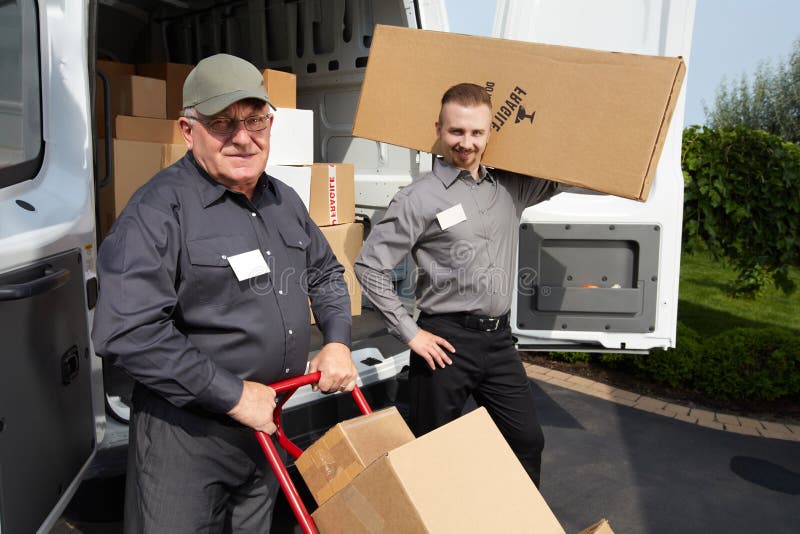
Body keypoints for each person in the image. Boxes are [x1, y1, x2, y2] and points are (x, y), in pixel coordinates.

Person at [92, 53, 358, 533]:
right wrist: (232, 395)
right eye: (222, 123)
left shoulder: (284, 200)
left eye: (255, 119)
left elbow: (324, 274)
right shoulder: (157, 211)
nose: (242, 137)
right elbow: (126, 331)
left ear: (270, 124)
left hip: (266, 428)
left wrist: (337, 340)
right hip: (187, 437)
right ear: (188, 131)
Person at [354, 83, 559, 487]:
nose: (466, 143)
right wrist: (410, 333)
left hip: (499, 342)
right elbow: (369, 267)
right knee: (432, 452)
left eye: (477, 133)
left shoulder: (509, 189)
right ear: (439, 129)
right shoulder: (418, 198)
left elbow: (573, 175)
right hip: (443, 344)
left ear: (489, 134)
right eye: (456, 132)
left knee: (526, 441)